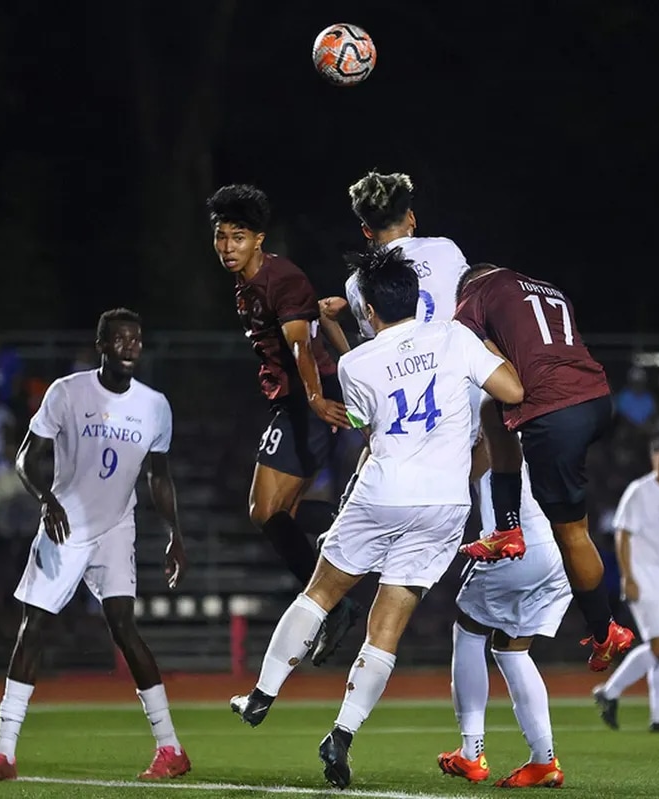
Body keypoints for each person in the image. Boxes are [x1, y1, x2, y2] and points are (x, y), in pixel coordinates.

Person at [229, 247, 524, 790]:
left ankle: (261, 694)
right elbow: (513, 391)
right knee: (386, 630)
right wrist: (481, 352)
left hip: (385, 490)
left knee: (318, 594)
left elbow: (369, 426)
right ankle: (341, 734)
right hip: (445, 503)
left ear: (367, 310)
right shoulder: (457, 337)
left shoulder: (354, 364)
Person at [0, 308, 190, 783]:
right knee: (34, 625)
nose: (131, 346)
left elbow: (159, 476)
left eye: (137, 339)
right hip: (66, 525)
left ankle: (171, 749)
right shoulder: (66, 392)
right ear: (102, 346)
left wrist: (174, 533)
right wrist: (44, 498)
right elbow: (26, 456)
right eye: (121, 339)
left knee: (124, 627)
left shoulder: (155, 405)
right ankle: (3, 753)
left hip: (116, 527)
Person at [453, 263, 633, 671]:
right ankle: (508, 527)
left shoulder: (474, 296)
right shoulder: (546, 288)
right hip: (596, 398)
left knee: (571, 533)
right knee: (493, 413)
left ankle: (605, 631)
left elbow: (484, 360)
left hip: (556, 411)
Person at [207, 183, 358, 666]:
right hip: (294, 402)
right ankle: (329, 596)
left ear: (259, 239)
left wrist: (314, 398)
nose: (227, 247)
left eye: (238, 237)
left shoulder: (281, 278)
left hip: (306, 402)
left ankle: (333, 600)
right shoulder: (247, 285)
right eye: (221, 237)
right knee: (277, 515)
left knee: (264, 508)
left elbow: (298, 341)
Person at [438, 437, 571, 789]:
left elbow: (468, 470)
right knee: (512, 649)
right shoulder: (538, 425)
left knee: (467, 629)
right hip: (556, 548)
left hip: (516, 545)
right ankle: (544, 761)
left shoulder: (490, 424)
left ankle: (471, 751)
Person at [593, 435, 659, 733]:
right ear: (653, 459)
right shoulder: (640, 491)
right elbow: (622, 534)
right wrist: (628, 576)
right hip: (644, 577)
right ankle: (609, 692)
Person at [318, 170, 469, 353]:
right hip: (464, 363)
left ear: (367, 231)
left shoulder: (357, 283)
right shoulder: (446, 249)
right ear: (411, 218)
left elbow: (378, 341)